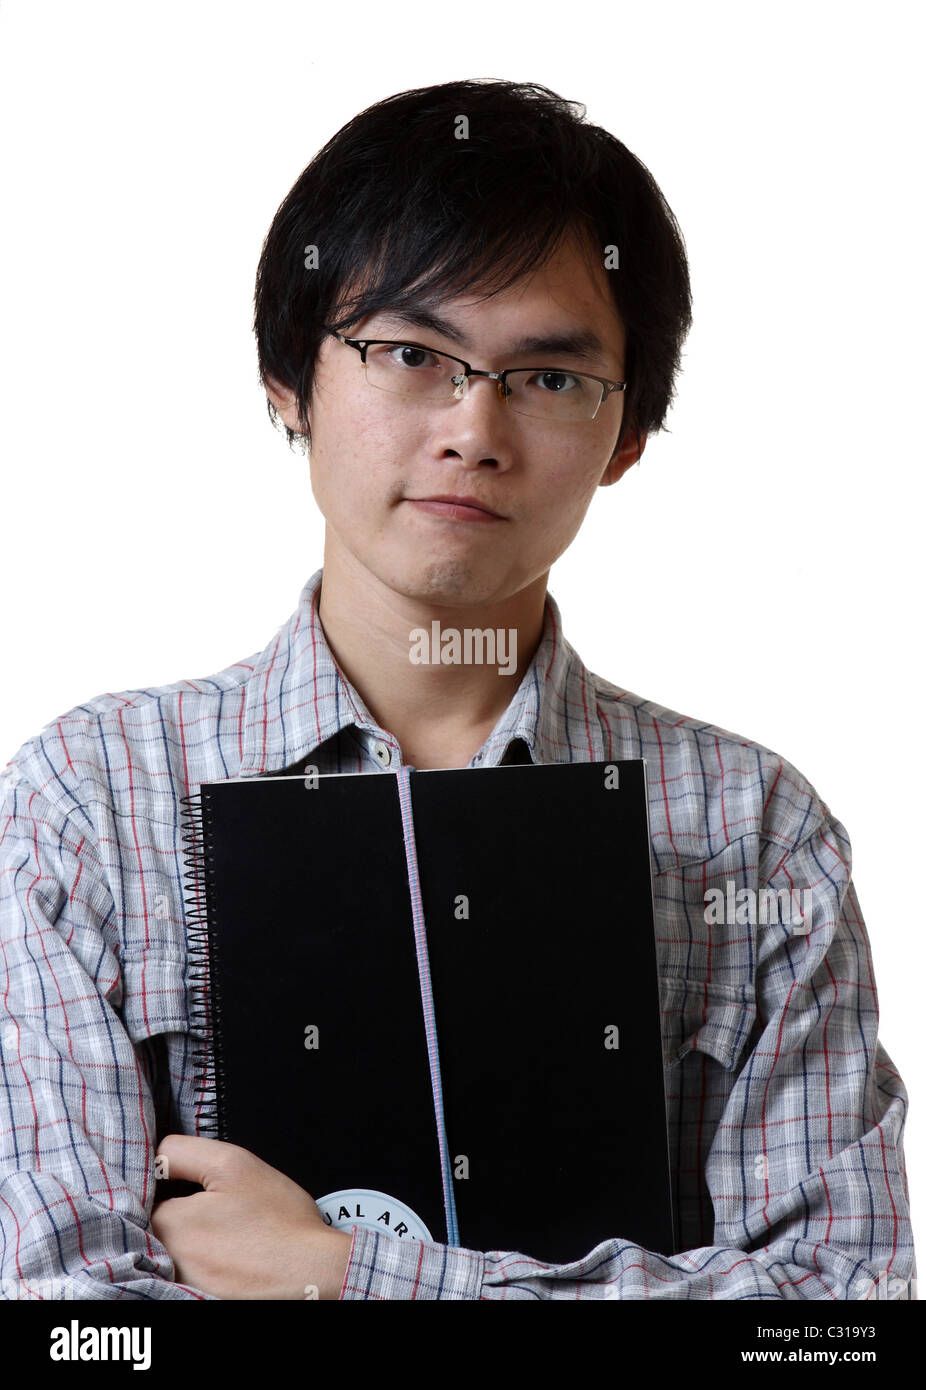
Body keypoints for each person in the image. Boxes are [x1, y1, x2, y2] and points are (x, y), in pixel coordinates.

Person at [0, 78, 914, 1302]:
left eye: (547, 378)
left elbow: (833, 1312)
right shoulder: (91, 802)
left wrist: (347, 1275)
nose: (473, 427)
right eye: (411, 354)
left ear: (625, 435)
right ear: (288, 379)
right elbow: (71, 1315)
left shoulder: (749, 826)